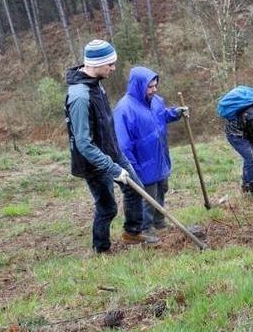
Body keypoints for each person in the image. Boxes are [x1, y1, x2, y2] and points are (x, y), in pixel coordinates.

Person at [65, 40, 158, 253]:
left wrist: (116, 157)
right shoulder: (80, 96)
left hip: (113, 152)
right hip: (93, 161)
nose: (114, 68)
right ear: (96, 64)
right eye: (110, 64)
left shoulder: (96, 84)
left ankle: (132, 233)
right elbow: (83, 143)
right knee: (107, 208)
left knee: (136, 189)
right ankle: (101, 249)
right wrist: (113, 168)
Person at [114, 67, 187, 234]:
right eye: (150, 86)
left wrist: (176, 113)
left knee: (162, 189)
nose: (154, 89)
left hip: (159, 157)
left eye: (155, 85)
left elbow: (162, 116)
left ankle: (159, 222)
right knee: (148, 198)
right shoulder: (124, 110)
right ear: (138, 86)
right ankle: (145, 229)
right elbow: (123, 146)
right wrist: (133, 169)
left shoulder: (156, 100)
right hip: (142, 163)